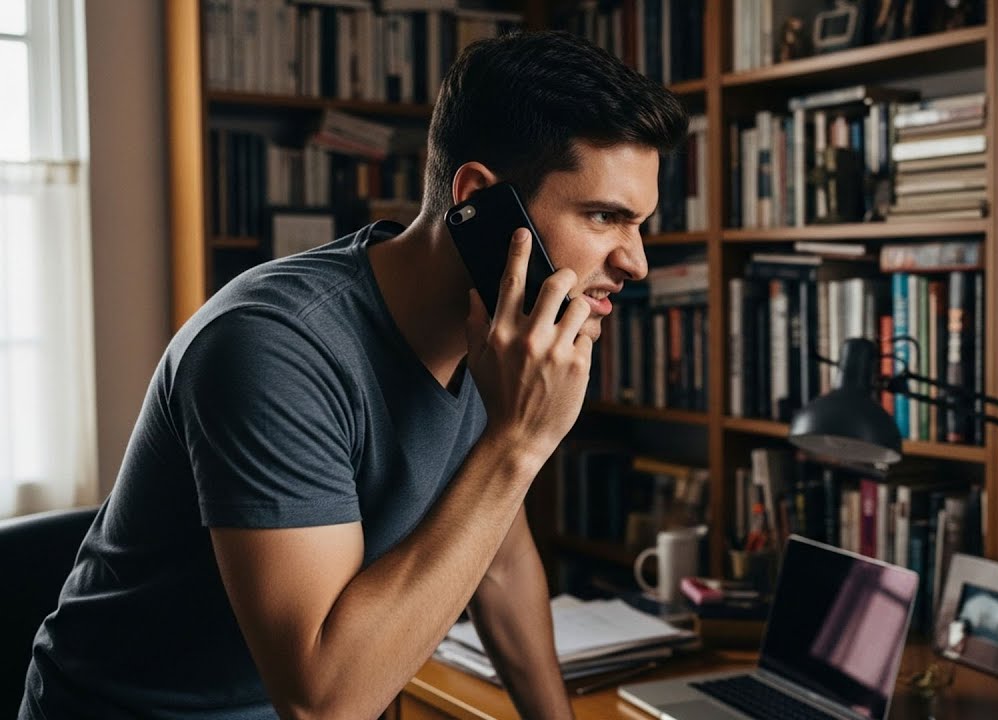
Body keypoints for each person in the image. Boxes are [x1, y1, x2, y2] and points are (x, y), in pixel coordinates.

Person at [20, 30, 688, 719]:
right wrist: (518, 443)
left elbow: (501, 563)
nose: (636, 262)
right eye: (605, 217)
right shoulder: (273, 349)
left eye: (639, 224)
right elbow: (323, 705)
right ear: (479, 201)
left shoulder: (499, 335)